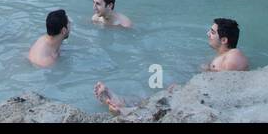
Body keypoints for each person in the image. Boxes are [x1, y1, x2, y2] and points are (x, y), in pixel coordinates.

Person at [93, 16, 248, 115]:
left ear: (224, 40)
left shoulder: (234, 56)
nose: (208, 34)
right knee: (162, 94)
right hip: (200, 92)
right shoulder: (223, 56)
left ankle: (128, 111)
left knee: (167, 99)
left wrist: (187, 90)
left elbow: (223, 87)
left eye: (213, 32)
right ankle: (122, 101)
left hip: (208, 99)